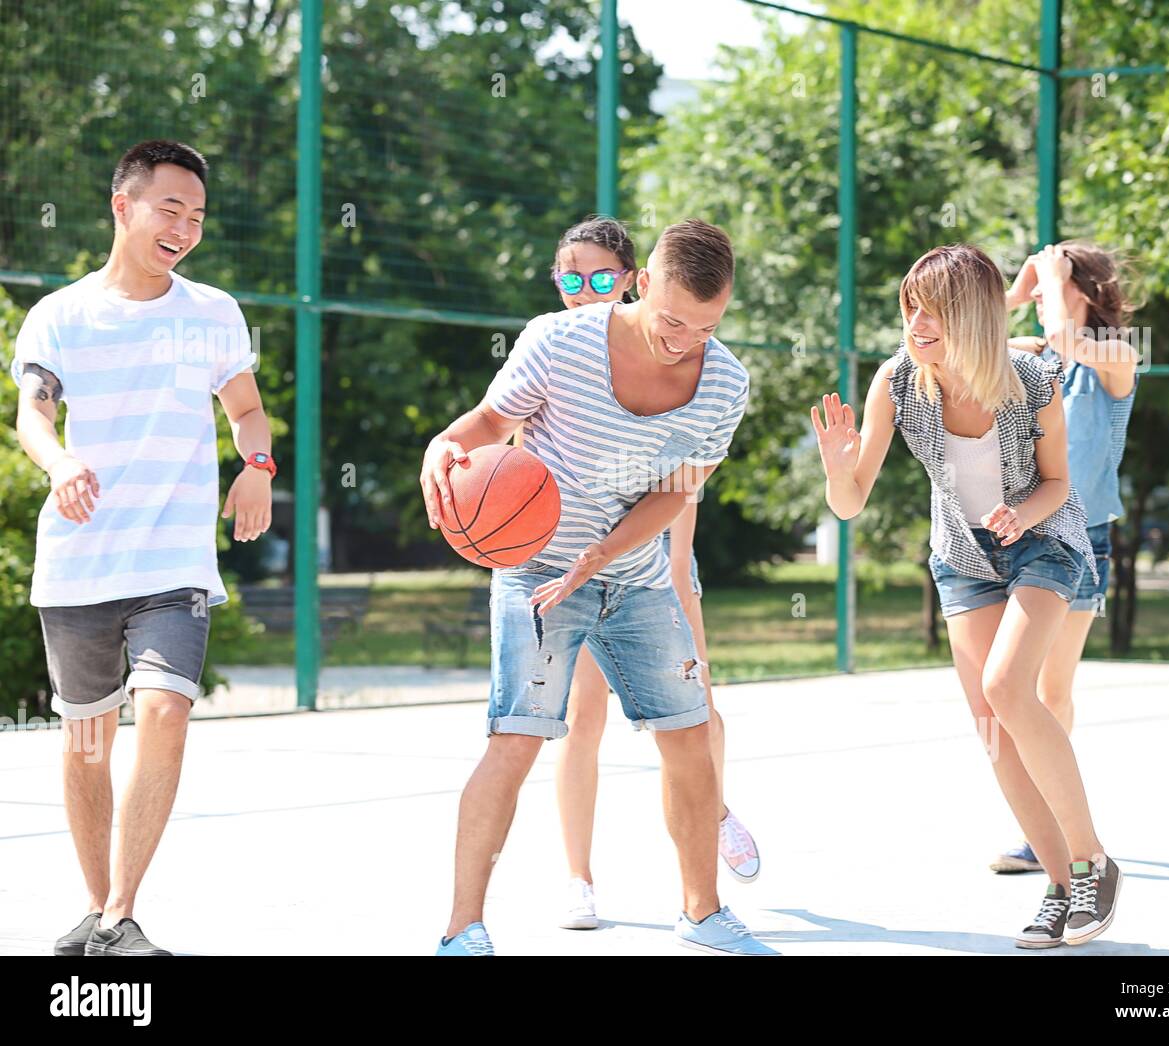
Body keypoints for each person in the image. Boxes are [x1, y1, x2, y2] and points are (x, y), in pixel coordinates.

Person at [422, 219, 776, 956]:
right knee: (515, 741)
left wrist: (604, 553)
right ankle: (462, 930)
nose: (684, 341)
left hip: (638, 577)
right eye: (672, 321)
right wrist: (444, 443)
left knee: (688, 740)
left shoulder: (727, 383)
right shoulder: (558, 340)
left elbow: (677, 492)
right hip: (539, 572)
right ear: (640, 285)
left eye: (705, 327)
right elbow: (491, 421)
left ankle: (702, 914)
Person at [811, 244, 1121, 949]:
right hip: (963, 561)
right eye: (909, 306)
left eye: (933, 310)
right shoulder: (897, 383)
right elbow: (852, 502)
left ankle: (1094, 864)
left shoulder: (1032, 380)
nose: (916, 322)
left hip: (1045, 543)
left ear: (973, 317)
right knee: (993, 729)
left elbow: (1057, 484)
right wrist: (837, 469)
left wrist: (1024, 516)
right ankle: (1062, 887)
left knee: (1010, 687)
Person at [11, 140, 273, 956]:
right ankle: (100, 915)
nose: (186, 228)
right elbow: (32, 415)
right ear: (123, 208)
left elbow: (248, 413)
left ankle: (122, 912)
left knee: (163, 710)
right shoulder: (60, 314)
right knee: (87, 744)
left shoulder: (213, 313)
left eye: (197, 216)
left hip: (173, 563)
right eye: (171, 209)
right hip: (82, 562)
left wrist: (257, 466)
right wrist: (59, 463)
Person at [545, 217, 760, 932]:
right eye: (569, 277)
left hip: (657, 560)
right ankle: (578, 877)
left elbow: (680, 491)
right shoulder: (553, 350)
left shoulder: (687, 358)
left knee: (697, 711)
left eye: (600, 278)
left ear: (634, 282)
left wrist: (674, 576)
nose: (584, 291)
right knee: (583, 717)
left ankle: (713, 812)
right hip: (573, 563)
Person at [991, 241, 1140, 874]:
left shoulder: (1117, 357)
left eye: (1058, 280)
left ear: (1081, 287)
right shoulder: (1035, 356)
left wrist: (1050, 277)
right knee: (1013, 686)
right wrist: (1019, 287)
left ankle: (1050, 828)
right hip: (1017, 536)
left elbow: (1064, 334)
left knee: (1051, 687)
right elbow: (974, 334)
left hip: (1082, 541)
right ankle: (1041, 822)